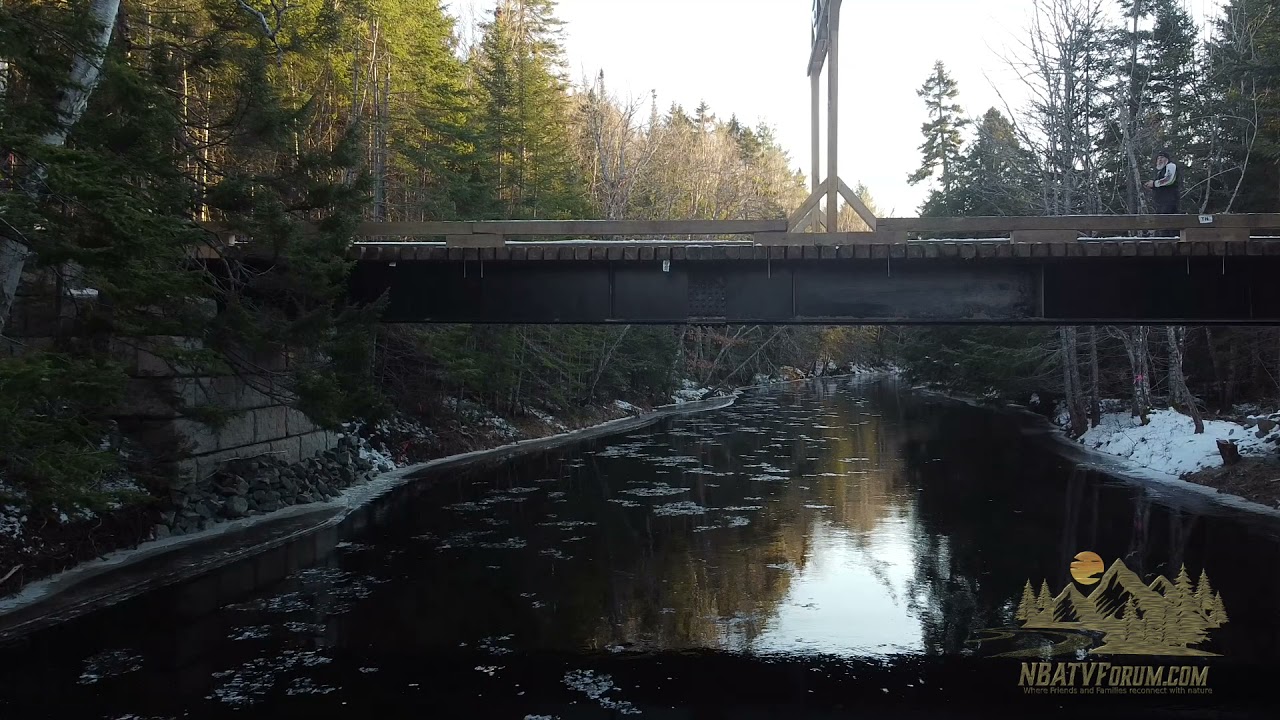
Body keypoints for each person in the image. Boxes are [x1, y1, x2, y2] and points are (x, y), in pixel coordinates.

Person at [1144, 150, 1181, 214]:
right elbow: (1161, 184)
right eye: (1158, 158)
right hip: (1160, 202)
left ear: (1167, 159)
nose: (1160, 160)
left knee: (1167, 217)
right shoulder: (1160, 172)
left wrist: (1154, 184)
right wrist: (1151, 186)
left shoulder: (1170, 165)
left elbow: (1169, 179)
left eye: (1162, 157)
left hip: (1169, 200)